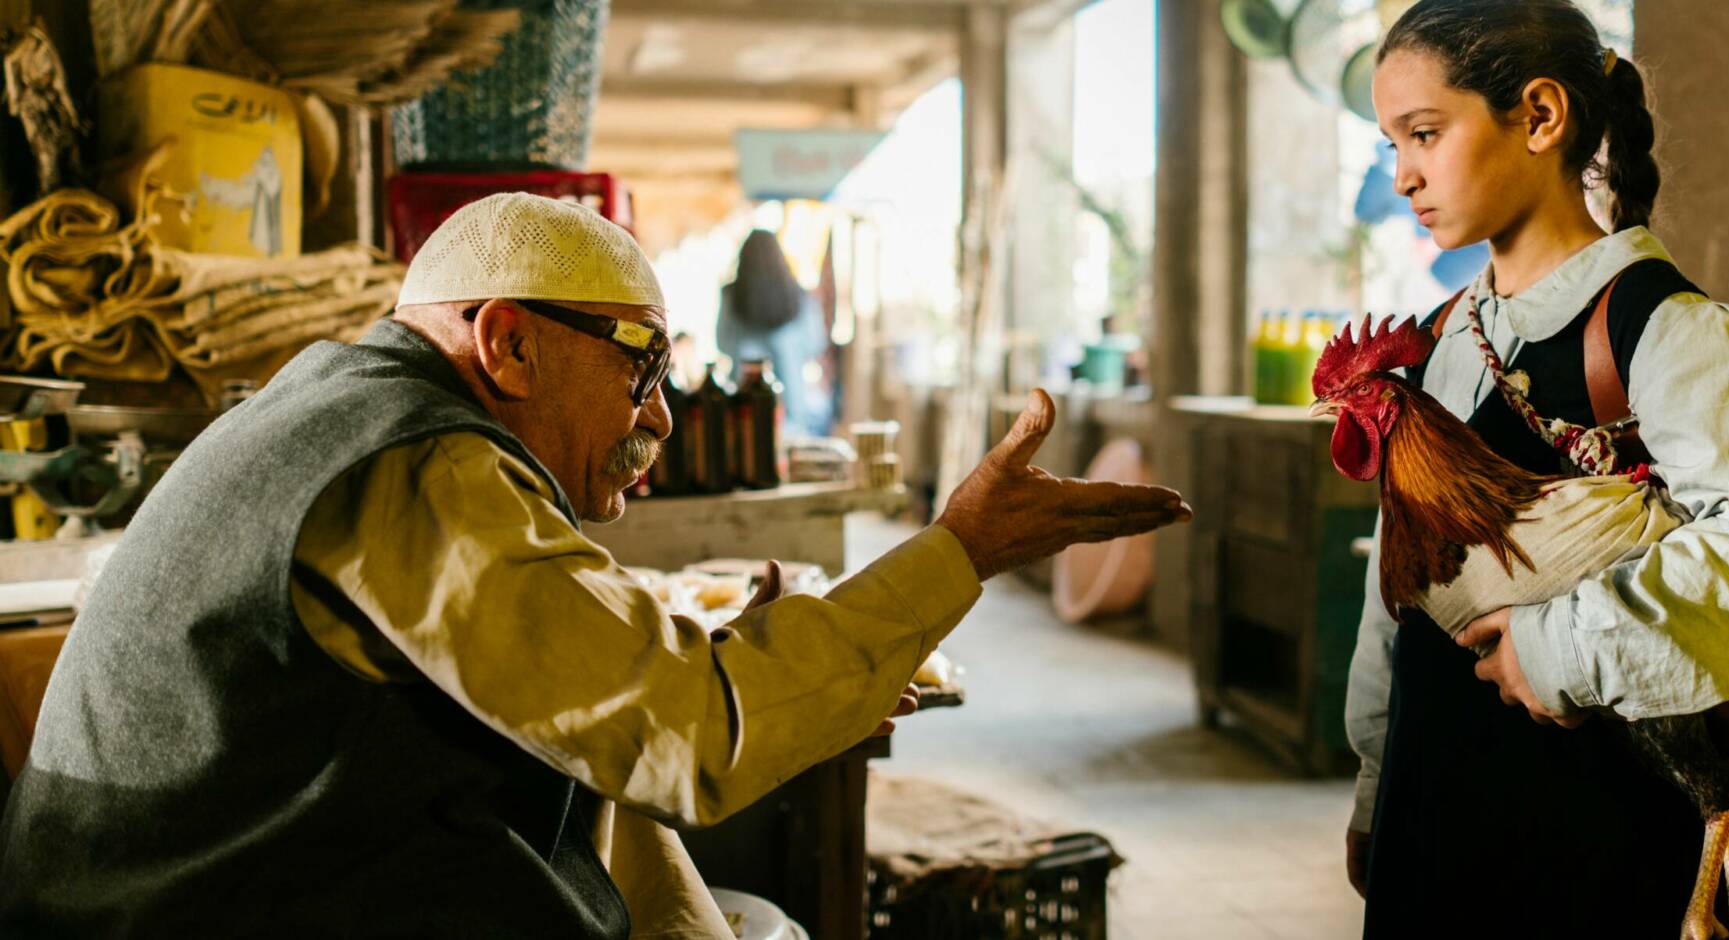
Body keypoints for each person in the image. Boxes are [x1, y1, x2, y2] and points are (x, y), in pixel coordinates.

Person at [0, 193, 1191, 937]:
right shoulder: (418, 463)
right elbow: (689, 733)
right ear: (509, 340)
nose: (660, 416)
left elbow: (601, 672)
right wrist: (960, 548)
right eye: (641, 366)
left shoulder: (329, 403)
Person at [1341, 2, 1729, 936]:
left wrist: (1561, 648)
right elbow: (1400, 592)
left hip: (1590, 834)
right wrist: (1378, 774)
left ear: (1539, 117)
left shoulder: (1675, 333)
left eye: (1424, 134)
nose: (1402, 174)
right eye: (1391, 142)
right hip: (1434, 806)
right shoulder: (1450, 337)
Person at [717, 229, 831, 436]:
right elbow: (815, 344)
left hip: (744, 409)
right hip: (793, 409)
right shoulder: (800, 296)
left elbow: (722, 342)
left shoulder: (731, 296)